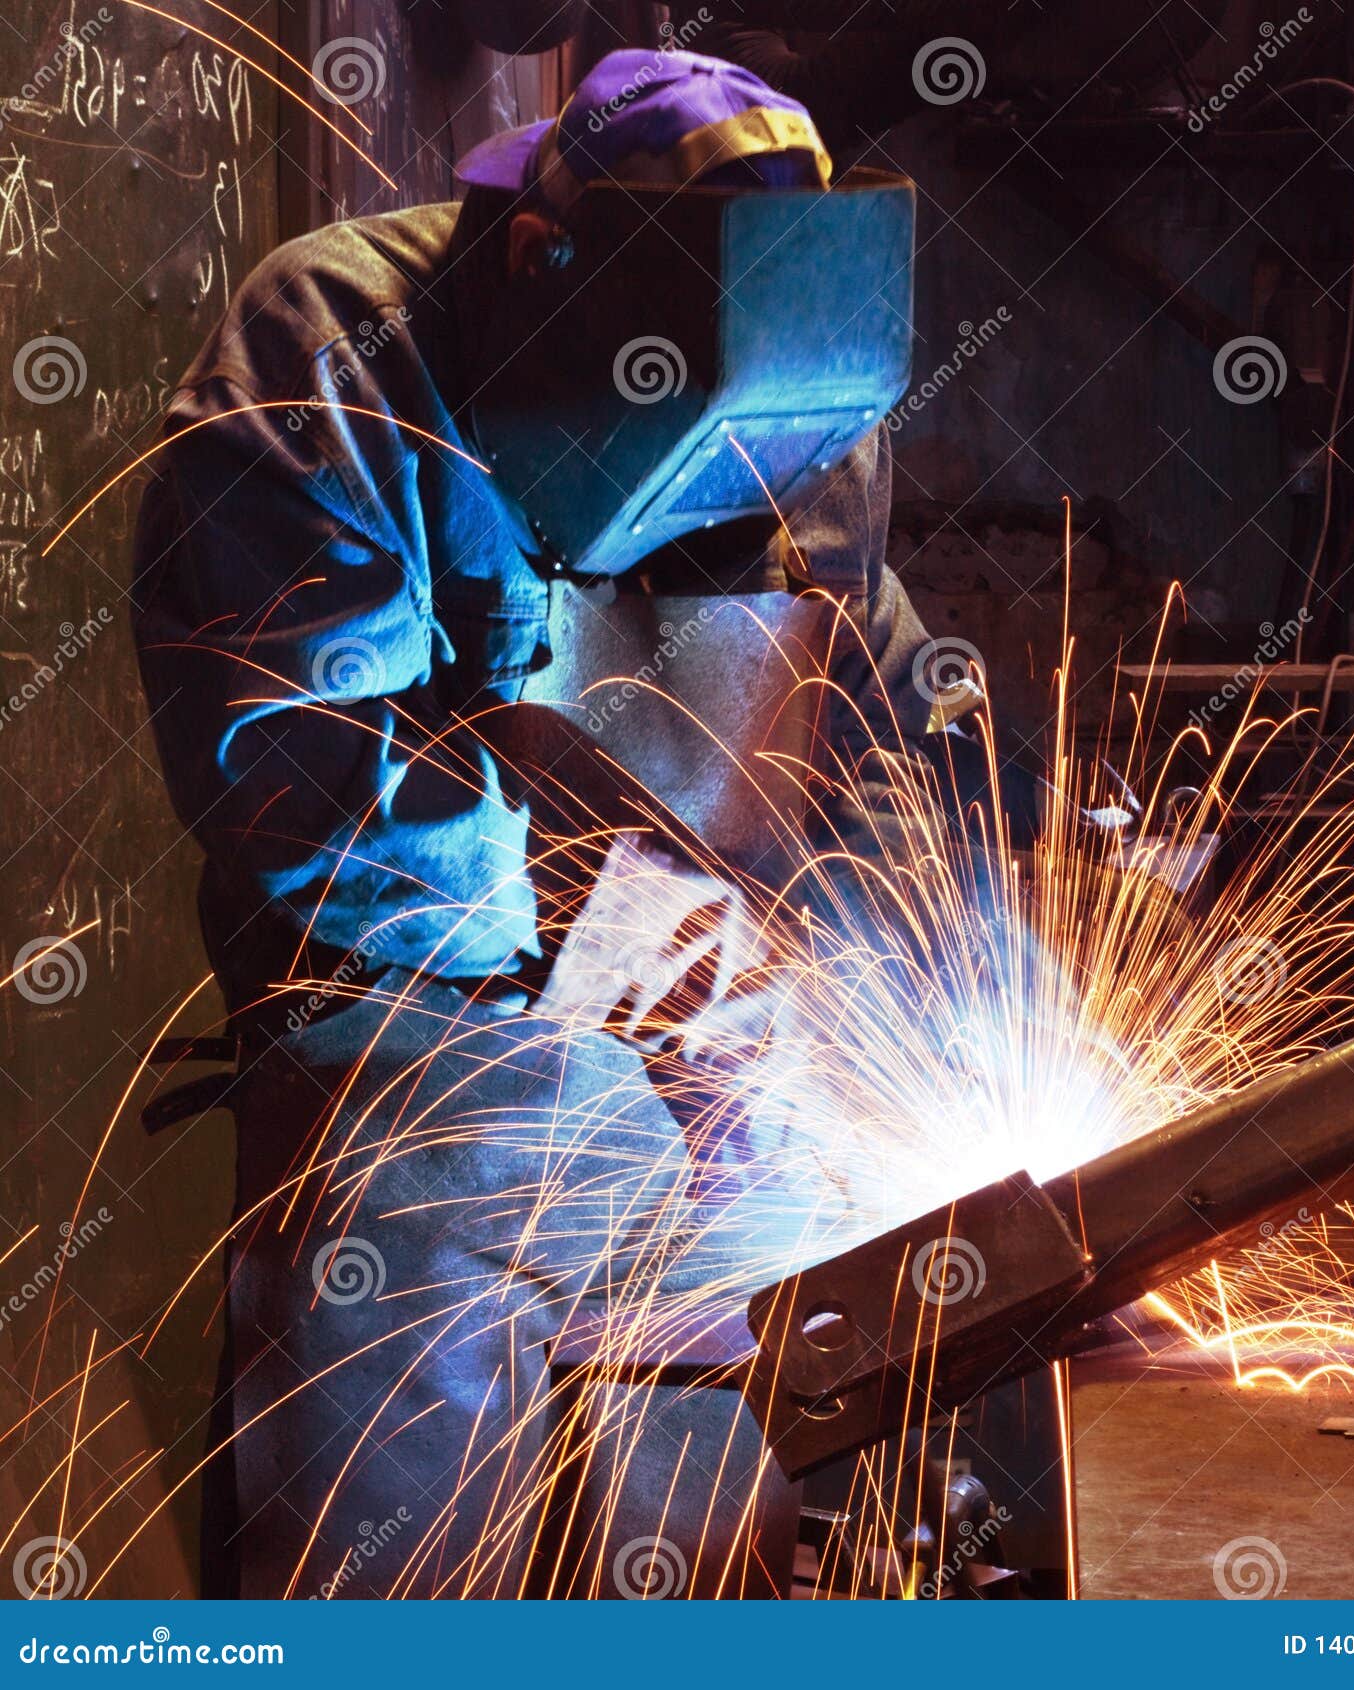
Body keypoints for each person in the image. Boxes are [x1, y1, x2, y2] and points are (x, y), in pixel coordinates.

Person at [132, 49, 945, 1597]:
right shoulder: (330, 354)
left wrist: (921, 967)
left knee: (800, 1191)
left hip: (713, 1007)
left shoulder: (805, 372)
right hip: (405, 999)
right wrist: (625, 952)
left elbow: (891, 717)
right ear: (535, 262)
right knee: (471, 1172)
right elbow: (301, 771)